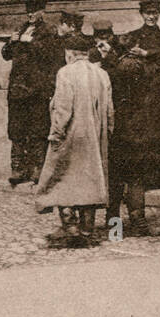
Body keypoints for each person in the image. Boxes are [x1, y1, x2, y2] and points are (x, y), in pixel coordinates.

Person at [35, 33, 113, 247]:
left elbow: (63, 107)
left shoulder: (65, 73)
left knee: (63, 177)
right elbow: (109, 110)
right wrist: (107, 132)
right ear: (87, 53)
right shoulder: (101, 74)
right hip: (95, 135)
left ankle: (71, 227)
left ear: (69, 53)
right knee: (90, 180)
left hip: (72, 134)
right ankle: (87, 230)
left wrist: (56, 133)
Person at [107, 0, 160, 237]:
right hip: (137, 129)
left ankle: (114, 224)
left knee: (117, 177)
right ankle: (137, 221)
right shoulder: (143, 71)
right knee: (135, 176)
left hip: (118, 129)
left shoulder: (110, 70)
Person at [2, 11, 52, 185]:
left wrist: (30, 42)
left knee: (38, 130)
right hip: (17, 89)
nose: (31, 14)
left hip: (37, 90)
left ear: (42, 12)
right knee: (16, 130)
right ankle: (18, 168)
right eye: (28, 11)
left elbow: (49, 54)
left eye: (35, 11)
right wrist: (11, 42)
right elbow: (6, 55)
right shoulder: (21, 28)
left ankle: (38, 169)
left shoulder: (48, 31)